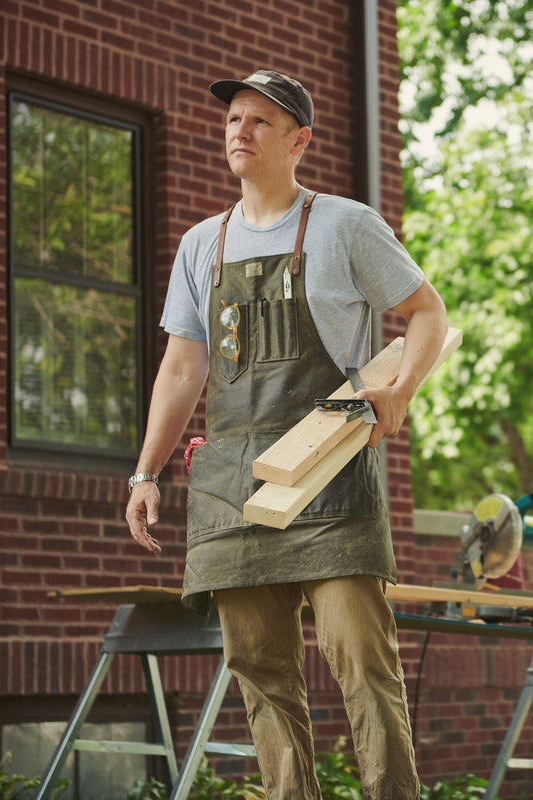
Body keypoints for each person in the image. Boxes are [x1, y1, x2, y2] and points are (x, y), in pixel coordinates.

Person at [124, 68, 447, 800]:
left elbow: (429, 313)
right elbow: (183, 367)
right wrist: (146, 472)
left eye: (260, 121)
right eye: (234, 118)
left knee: (362, 661)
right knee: (261, 675)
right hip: (234, 485)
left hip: (332, 473)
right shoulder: (201, 245)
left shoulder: (347, 225)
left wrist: (400, 389)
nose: (240, 130)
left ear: (299, 139)